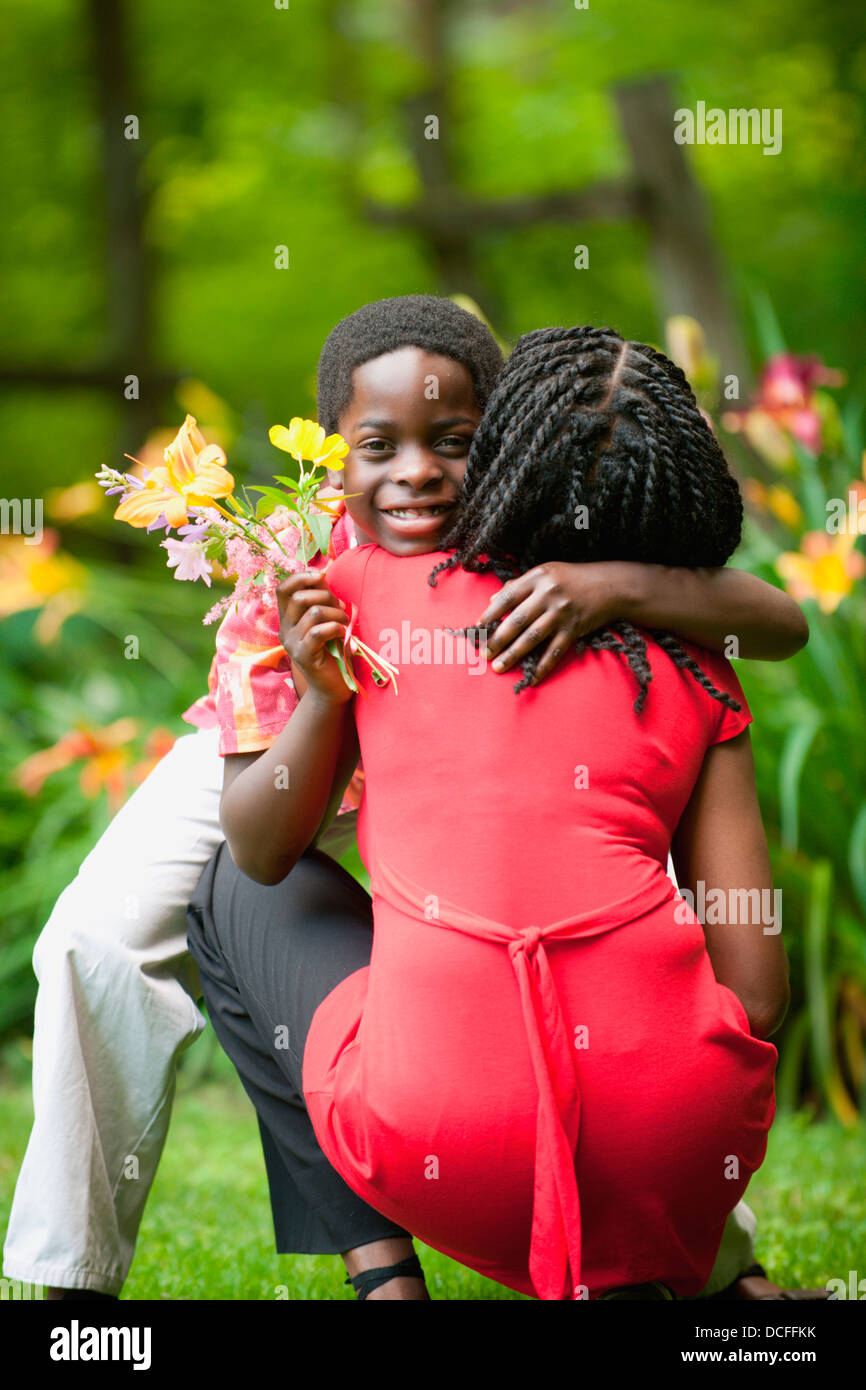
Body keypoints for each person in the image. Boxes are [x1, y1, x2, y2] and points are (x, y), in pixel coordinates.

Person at [188, 312, 816, 1299]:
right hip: (681, 1148)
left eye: (453, 442)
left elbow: (262, 855)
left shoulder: (360, 593)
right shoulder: (701, 662)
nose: (418, 473)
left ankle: (385, 1279)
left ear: (503, 448)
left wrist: (324, 695)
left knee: (234, 882)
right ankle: (676, 1257)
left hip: (440, 1143)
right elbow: (758, 992)